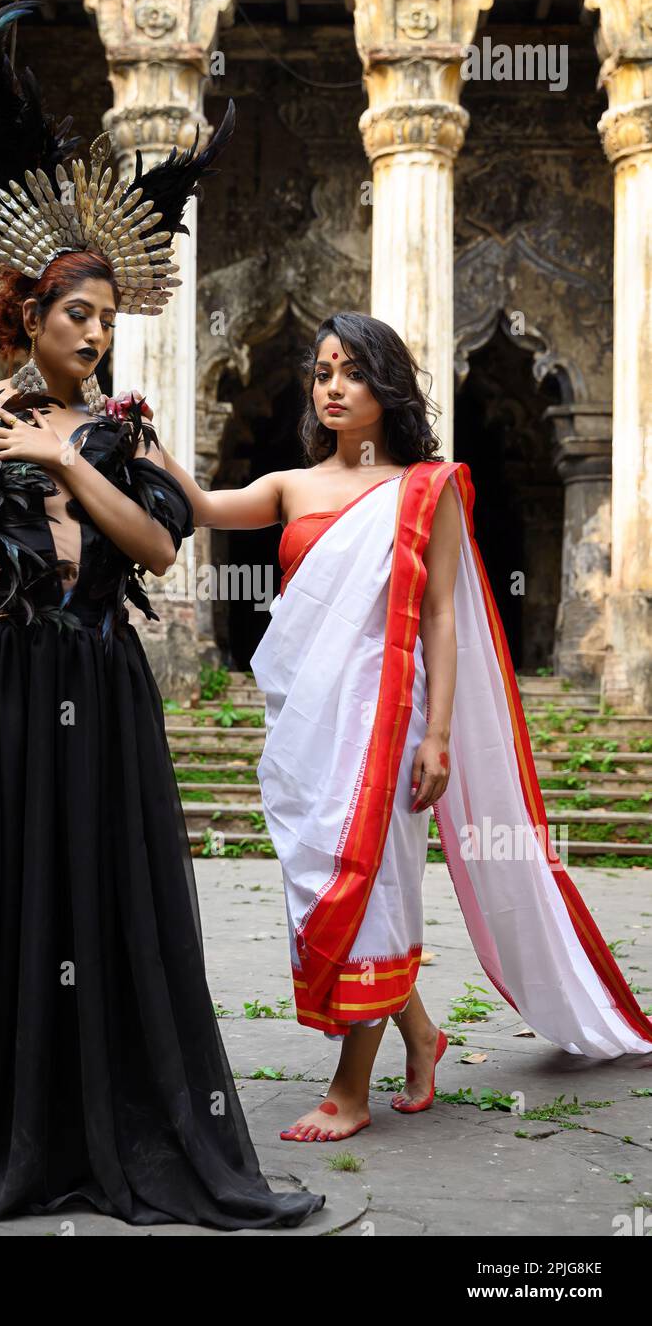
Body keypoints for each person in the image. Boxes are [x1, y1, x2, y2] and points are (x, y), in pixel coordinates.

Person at [0, 1, 324, 1231]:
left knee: (88, 891)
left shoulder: (123, 431)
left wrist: (71, 460)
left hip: (95, 677)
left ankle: (86, 1107)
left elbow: (159, 544)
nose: (96, 332)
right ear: (29, 314)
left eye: (109, 318)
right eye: (78, 313)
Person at [132, 309, 652, 1144]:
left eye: (353, 372)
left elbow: (441, 616)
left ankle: (349, 1090)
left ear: (388, 386)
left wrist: (437, 734)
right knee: (322, 879)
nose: (333, 388)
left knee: (371, 885)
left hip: (387, 721)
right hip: (308, 720)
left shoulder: (424, 491)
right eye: (322, 373)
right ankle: (420, 1034)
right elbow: (197, 508)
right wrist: (143, 436)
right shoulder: (291, 485)